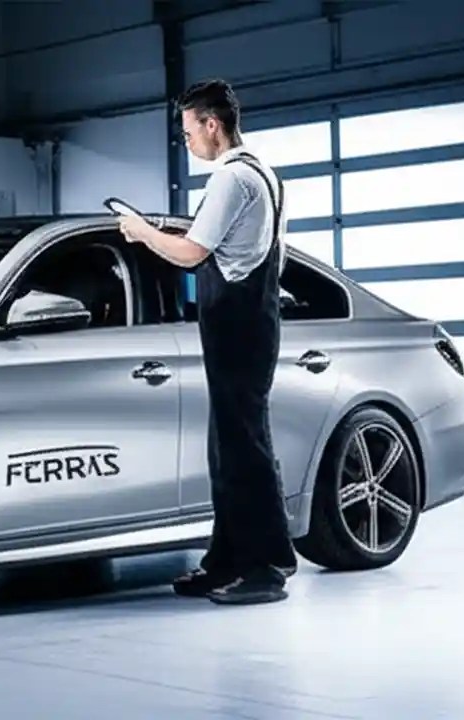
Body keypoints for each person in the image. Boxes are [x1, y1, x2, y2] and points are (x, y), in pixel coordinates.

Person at [117, 78, 298, 605]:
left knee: (244, 447)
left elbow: (193, 254)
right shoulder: (263, 174)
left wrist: (140, 231)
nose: (186, 141)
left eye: (187, 130)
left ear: (211, 125)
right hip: (247, 322)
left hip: (238, 326)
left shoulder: (231, 179)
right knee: (228, 446)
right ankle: (226, 562)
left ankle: (265, 568)